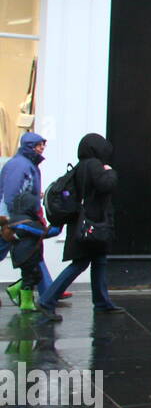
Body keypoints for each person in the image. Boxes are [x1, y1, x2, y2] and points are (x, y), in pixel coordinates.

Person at [37, 134, 123, 318]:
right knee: (81, 263)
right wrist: (109, 171)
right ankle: (47, 300)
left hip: (86, 222)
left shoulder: (81, 165)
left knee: (99, 261)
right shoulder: (93, 165)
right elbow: (105, 185)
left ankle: (102, 302)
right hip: (92, 224)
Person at [1, 132, 55, 301]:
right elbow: (11, 195)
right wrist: (14, 221)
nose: (42, 149)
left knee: (34, 251)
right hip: (12, 220)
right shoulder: (20, 166)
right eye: (40, 145)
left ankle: (49, 293)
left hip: (18, 218)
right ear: (30, 147)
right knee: (30, 251)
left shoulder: (27, 165)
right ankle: (48, 294)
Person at [1, 192, 61, 316]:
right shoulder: (26, 223)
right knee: (31, 277)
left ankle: (16, 290)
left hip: (22, 255)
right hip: (28, 256)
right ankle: (26, 303)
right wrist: (59, 224)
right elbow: (45, 232)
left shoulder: (14, 220)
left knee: (33, 276)